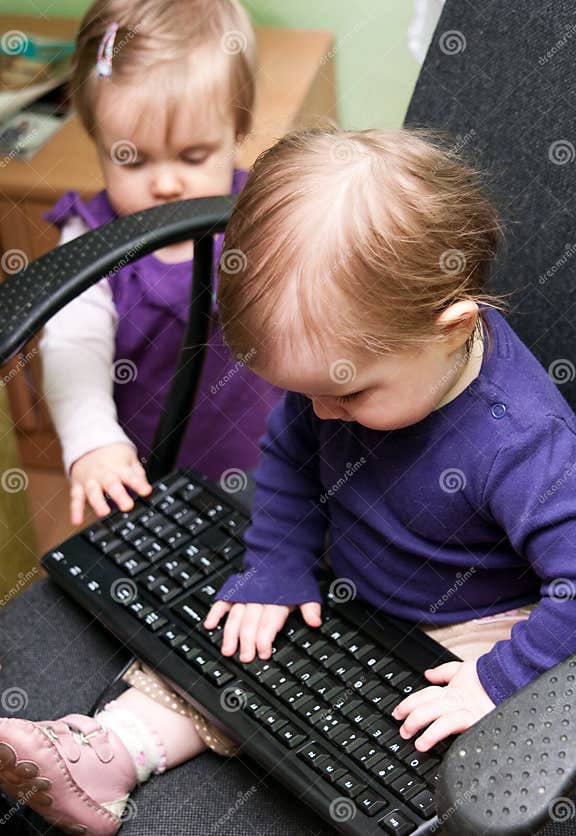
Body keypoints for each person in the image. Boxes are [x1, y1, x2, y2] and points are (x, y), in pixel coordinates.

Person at [0, 125, 558, 834]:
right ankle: (105, 752)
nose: (322, 412)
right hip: (346, 571)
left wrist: (499, 679)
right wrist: (276, 563)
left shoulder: (525, 446)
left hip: (475, 620)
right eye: (307, 392)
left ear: (452, 329)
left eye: (347, 396)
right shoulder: (344, 375)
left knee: (432, 748)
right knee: (232, 642)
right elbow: (292, 455)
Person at [40, 0, 281, 529]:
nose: (167, 184)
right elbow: (72, 344)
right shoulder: (91, 240)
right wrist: (91, 440)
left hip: (271, 454)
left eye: (194, 157)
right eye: (132, 159)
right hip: (147, 466)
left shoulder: (263, 212)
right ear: (97, 139)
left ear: (236, 130)